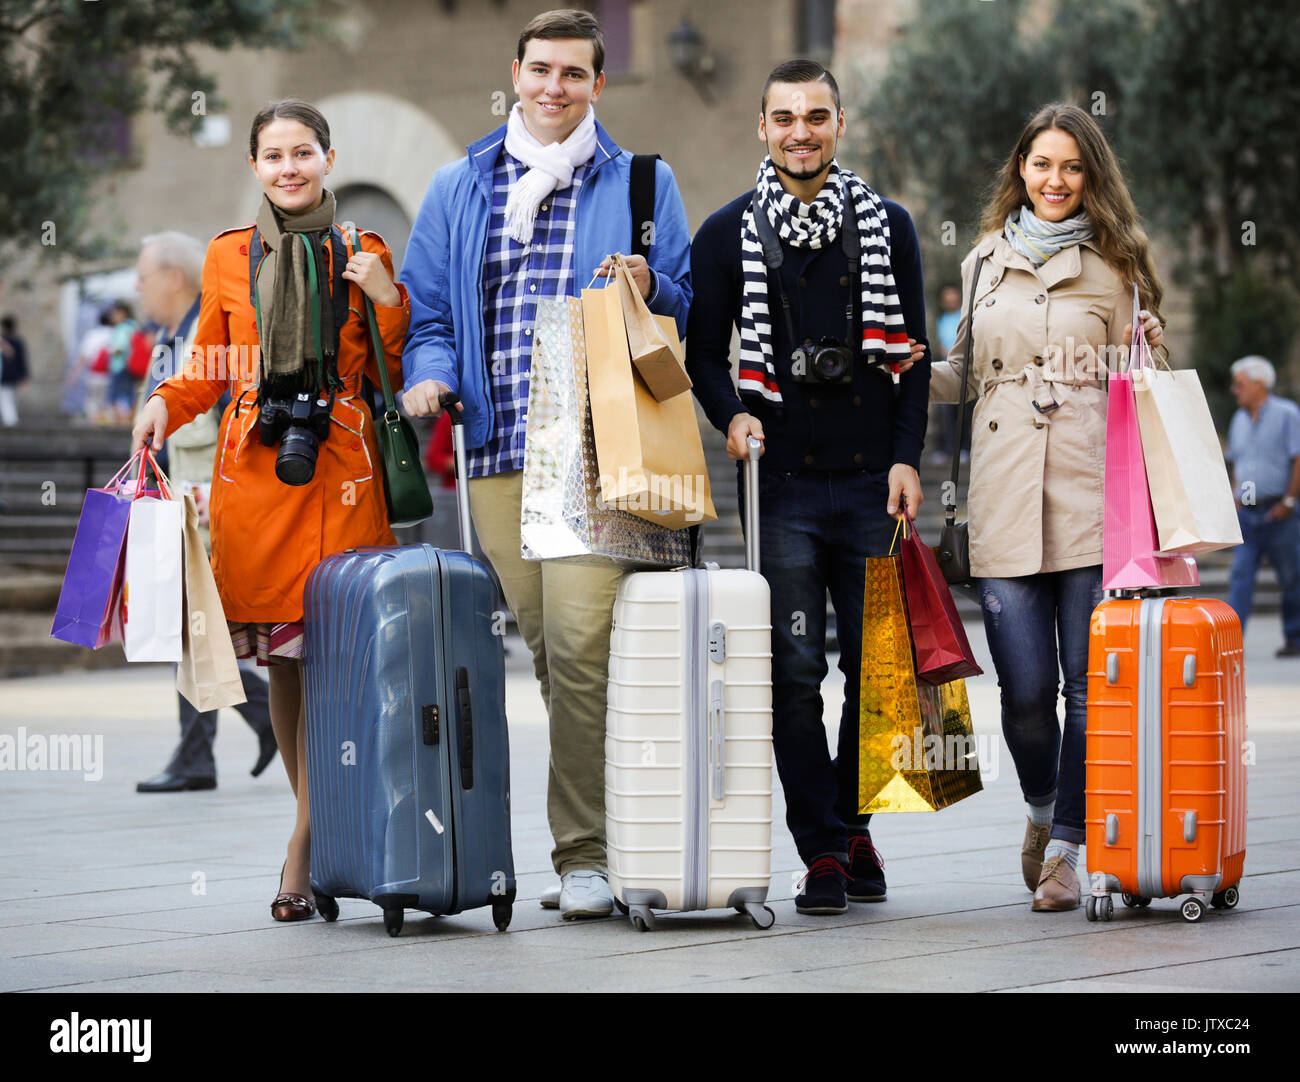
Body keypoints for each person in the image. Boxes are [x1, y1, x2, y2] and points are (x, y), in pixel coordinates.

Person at [399, 8, 691, 920]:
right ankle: (619, 823)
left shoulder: (643, 181)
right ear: (515, 73)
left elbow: (684, 299)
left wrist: (651, 283)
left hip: (603, 451)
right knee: (550, 653)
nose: (555, 88)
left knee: (578, 641)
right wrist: (432, 378)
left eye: (574, 73)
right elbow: (432, 315)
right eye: (541, 71)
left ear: (599, 84)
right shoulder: (460, 185)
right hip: (495, 448)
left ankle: (585, 857)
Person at [132, 99, 410, 921]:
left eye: (303, 153)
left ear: (328, 157)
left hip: (343, 475)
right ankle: (311, 828)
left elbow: (392, 361)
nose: (289, 168)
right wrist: (162, 403)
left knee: (342, 660)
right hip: (257, 477)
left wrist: (383, 296)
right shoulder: (227, 257)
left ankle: (303, 844)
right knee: (284, 662)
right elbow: (208, 367)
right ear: (255, 166)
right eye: (274, 155)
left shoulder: (364, 249)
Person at [686, 59, 930, 915]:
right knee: (792, 674)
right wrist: (732, 418)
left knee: (878, 672)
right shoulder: (724, 234)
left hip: (871, 488)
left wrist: (908, 457)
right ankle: (822, 849)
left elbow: (910, 359)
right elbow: (702, 356)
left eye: (816, 116)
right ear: (762, 126)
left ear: (838, 124)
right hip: (779, 487)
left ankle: (855, 824)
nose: (801, 131)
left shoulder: (887, 225)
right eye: (784, 116)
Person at [929, 103, 1165, 913]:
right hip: (1002, 493)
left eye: (1071, 167)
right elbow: (963, 371)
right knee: (1023, 691)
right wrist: (898, 365)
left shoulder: (1119, 264)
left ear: (1090, 176)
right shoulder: (983, 260)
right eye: (1041, 165)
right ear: (1020, 171)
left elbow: (1144, 377)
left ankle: (1068, 847)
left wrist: (1151, 346)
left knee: (1087, 684)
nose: (1056, 181)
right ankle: (1040, 811)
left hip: (1092, 492)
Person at [128, 231, 278, 793]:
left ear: (173, 277)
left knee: (189, 629)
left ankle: (211, 748)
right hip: (176, 499)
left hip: (204, 506)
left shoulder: (203, 332)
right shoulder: (168, 334)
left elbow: (226, 420)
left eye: (143, 277)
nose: (138, 290)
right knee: (188, 628)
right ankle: (237, 733)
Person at [1224, 355, 1300, 657]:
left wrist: (1290, 501)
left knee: (1292, 576)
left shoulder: (1287, 414)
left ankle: (1295, 638)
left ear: (1259, 385)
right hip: (1248, 513)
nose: (1234, 390)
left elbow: (1298, 458)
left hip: (1280, 512)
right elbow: (1236, 462)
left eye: (1240, 384)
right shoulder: (1239, 419)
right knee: (1240, 576)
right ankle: (1230, 643)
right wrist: (1235, 495)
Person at [106, 301, 141, 423]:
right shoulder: (134, 326)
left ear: (122, 313)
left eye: (115, 313)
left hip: (120, 365)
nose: (113, 316)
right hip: (133, 365)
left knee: (115, 395)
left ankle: (121, 420)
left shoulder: (122, 328)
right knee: (131, 394)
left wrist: (110, 351)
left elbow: (120, 347)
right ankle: (131, 418)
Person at [0, 316, 29, 427]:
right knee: (9, 399)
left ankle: (11, 421)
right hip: (15, 376)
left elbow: (19, 359)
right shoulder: (18, 341)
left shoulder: (8, 342)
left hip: (6, 376)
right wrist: (24, 376)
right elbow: (23, 360)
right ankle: (11, 419)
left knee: (6, 399)